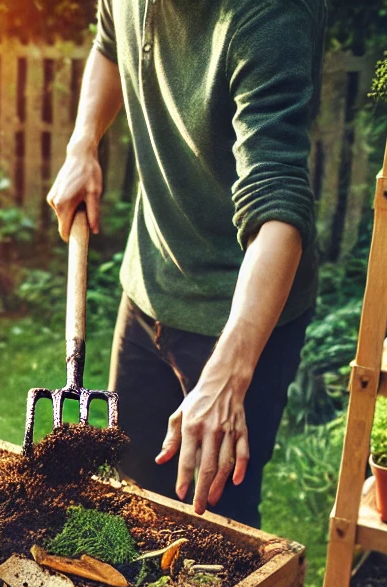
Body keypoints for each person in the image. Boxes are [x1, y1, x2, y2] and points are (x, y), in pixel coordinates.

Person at [47, 0, 326, 528]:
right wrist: (83, 143)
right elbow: (110, 42)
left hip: (237, 316)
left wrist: (228, 375)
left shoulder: (270, 16)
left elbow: (280, 205)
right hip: (148, 288)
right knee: (128, 500)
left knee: (215, 534)